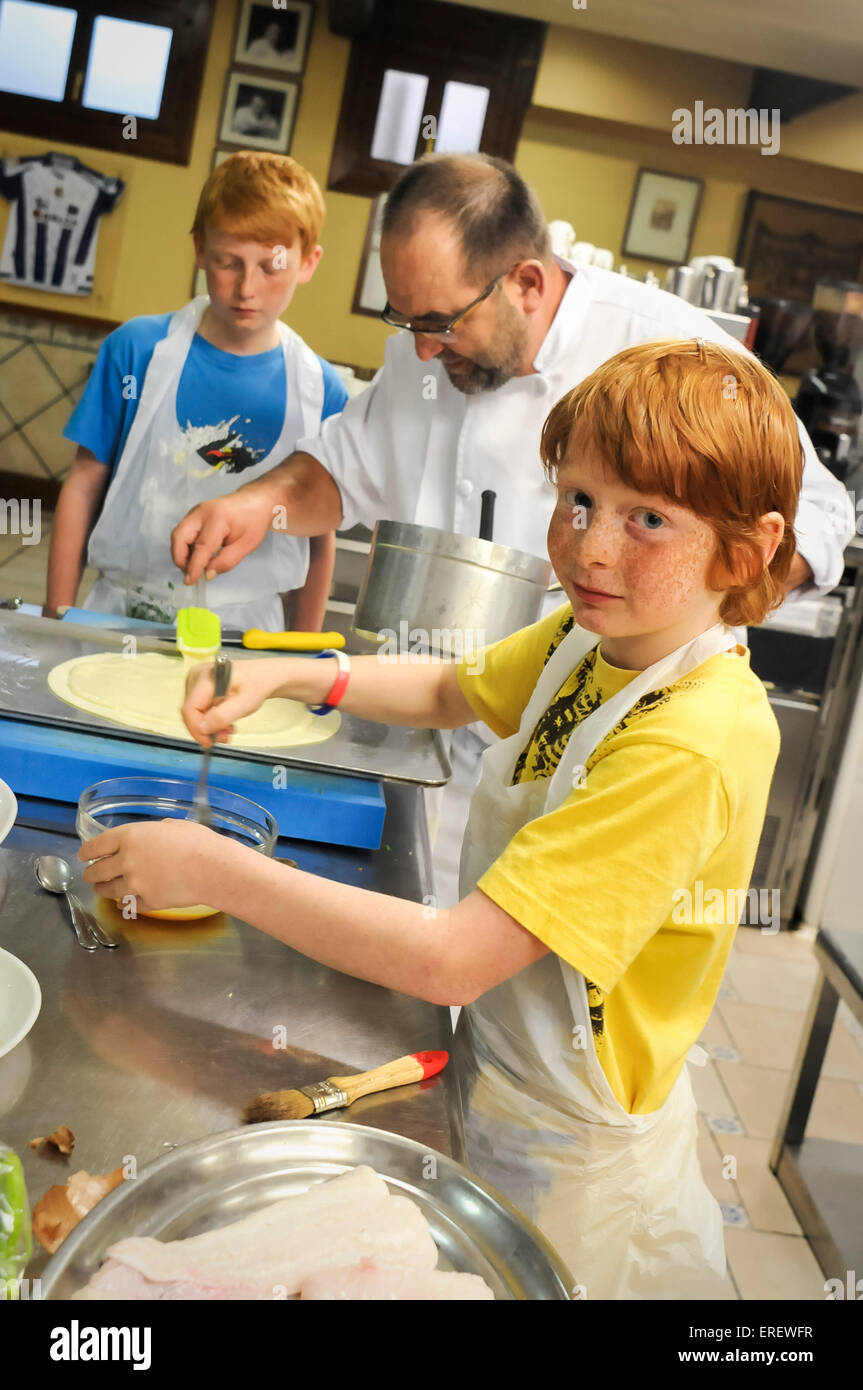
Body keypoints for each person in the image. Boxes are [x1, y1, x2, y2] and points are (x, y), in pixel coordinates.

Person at [83, 338, 798, 1298]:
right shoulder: (601, 636)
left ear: (743, 551)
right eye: (578, 499)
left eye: (648, 520)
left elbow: (451, 958)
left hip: (579, 1162)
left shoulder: (693, 741)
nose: (590, 544)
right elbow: (451, 688)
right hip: (501, 1080)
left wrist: (212, 870)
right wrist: (295, 671)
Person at [169, 155, 854, 899]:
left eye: (439, 322)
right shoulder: (421, 357)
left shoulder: (671, 353)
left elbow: (815, 516)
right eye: (405, 321)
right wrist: (253, 504)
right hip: (426, 714)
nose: (422, 348)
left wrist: (672, 606)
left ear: (525, 282)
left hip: (594, 752)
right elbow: (340, 471)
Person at [45, 151, 348, 630]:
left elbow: (318, 533)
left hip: (246, 637)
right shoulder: (136, 351)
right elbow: (82, 486)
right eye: (228, 262)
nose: (246, 288)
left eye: (271, 267)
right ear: (200, 249)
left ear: (308, 262)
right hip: (120, 618)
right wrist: (54, 620)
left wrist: (303, 654)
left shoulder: (321, 391)